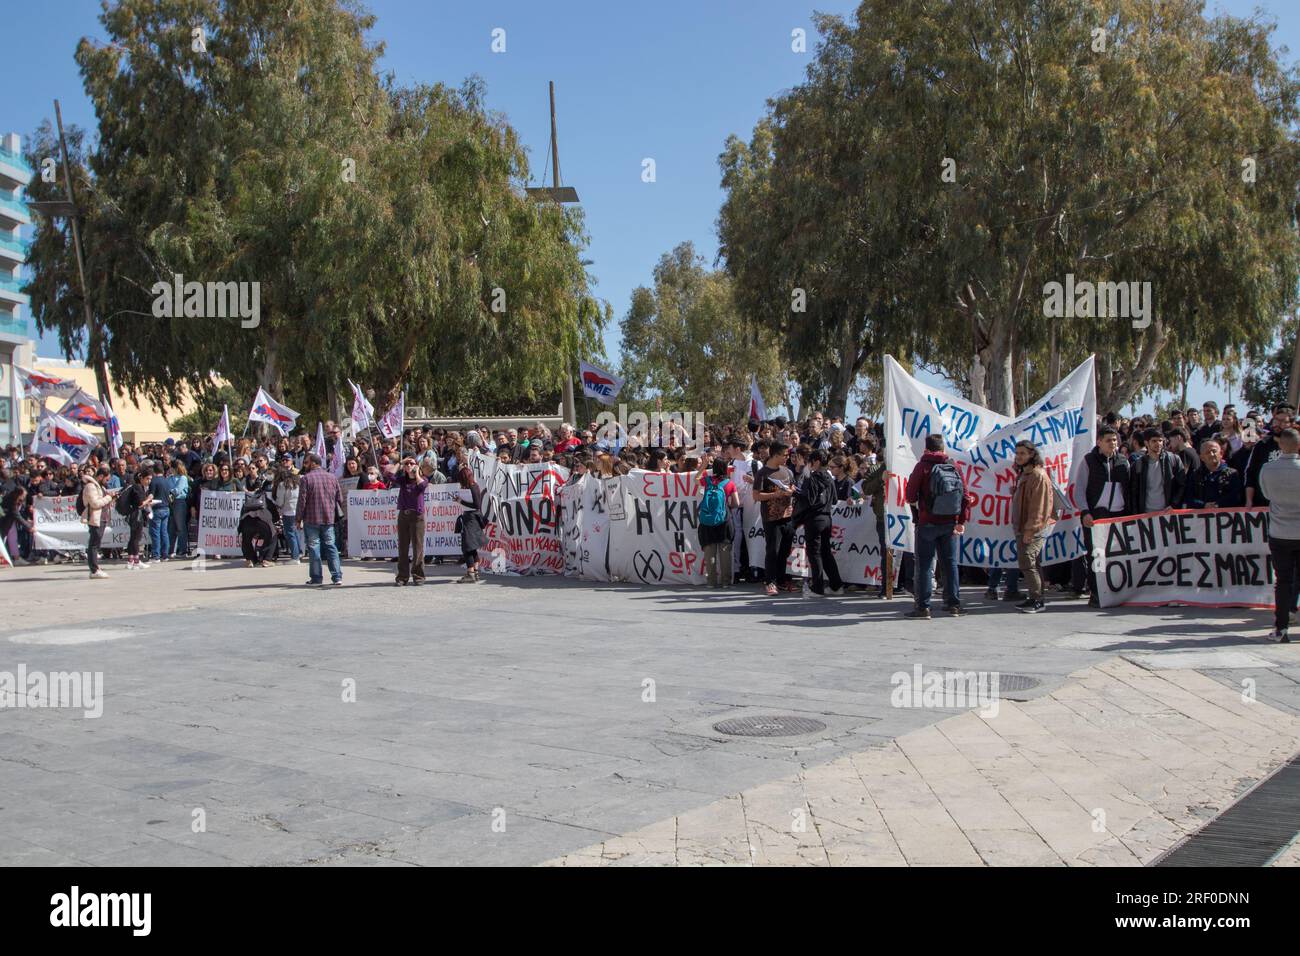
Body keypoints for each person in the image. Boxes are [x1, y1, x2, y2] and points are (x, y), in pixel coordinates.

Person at [903, 433, 972, 618]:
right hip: (950, 523)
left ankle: (923, 607)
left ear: (926, 449)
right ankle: (953, 605)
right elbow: (966, 496)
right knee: (950, 564)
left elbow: (909, 496)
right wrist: (962, 521)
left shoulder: (922, 467)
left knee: (924, 565)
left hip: (927, 522)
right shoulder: (954, 466)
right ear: (943, 448)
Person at [1079, 426, 1132, 607]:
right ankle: (1096, 592)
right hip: (1096, 515)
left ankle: (1115, 591)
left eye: (1115, 440)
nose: (1113, 443)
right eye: (1109, 440)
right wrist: (1085, 511)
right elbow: (1079, 490)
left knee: (1116, 555)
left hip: (1118, 514)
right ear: (1099, 442)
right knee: (1097, 555)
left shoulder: (1123, 462)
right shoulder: (1088, 461)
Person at [1259, 427, 1300, 643]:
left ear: (1280, 445)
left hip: (1280, 531)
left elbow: (1266, 494)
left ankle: (1281, 627)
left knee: (1283, 581)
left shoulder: (1268, 469)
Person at [1011, 441, 1057, 613]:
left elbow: (1040, 506)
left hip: (1032, 529)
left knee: (1028, 563)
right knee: (1032, 563)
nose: (1019, 456)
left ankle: (1037, 600)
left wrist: (1030, 529)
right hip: (1023, 526)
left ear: (1031, 454)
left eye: (1023, 453)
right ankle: (1034, 597)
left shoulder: (1037, 475)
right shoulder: (1025, 474)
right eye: (1017, 453)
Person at [797, 448, 843, 596]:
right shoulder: (829, 478)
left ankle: (817, 588)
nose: (809, 465)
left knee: (814, 553)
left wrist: (795, 492)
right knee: (825, 552)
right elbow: (835, 499)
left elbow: (808, 499)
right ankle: (836, 586)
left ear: (816, 462)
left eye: (810, 462)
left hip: (814, 519)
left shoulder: (813, 478)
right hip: (827, 518)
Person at [753, 441, 797, 596]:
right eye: (784, 455)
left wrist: (790, 491)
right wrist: (775, 494)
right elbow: (756, 495)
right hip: (771, 518)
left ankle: (782, 580)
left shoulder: (788, 472)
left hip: (788, 516)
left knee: (785, 551)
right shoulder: (762, 473)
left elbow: (793, 487)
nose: (787, 458)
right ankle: (770, 581)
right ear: (775, 455)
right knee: (773, 550)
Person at [297, 453, 343, 586]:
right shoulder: (332, 477)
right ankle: (337, 577)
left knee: (314, 548)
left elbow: (302, 501)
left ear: (313, 463)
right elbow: (340, 499)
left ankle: (317, 578)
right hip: (328, 518)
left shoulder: (306, 479)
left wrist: (298, 518)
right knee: (331, 547)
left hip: (311, 519)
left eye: (306, 462)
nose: (304, 465)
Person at [696, 457, 739, 588]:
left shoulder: (707, 481)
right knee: (725, 551)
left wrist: (703, 465)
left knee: (710, 552)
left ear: (713, 468)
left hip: (707, 522)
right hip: (724, 521)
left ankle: (711, 582)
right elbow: (737, 503)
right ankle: (726, 582)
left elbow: (695, 479)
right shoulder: (729, 483)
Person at [1130, 428, 1187, 514]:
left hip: (1168, 512)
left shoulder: (1173, 459)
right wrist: (1136, 513)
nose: (1158, 444)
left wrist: (1174, 505)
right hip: (1146, 514)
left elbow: (1182, 485)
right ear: (1146, 443)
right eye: (1154, 441)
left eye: (1160, 441)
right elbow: (1134, 492)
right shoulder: (1138, 464)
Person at [393, 456, 428, 586]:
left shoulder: (423, 479)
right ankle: (402, 576)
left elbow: (422, 486)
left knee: (417, 547)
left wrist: (417, 472)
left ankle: (418, 576)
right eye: (407, 463)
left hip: (417, 516)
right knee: (402, 547)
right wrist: (400, 463)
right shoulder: (403, 480)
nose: (409, 465)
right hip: (403, 515)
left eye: (411, 463)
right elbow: (388, 474)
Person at [79, 464, 117, 579]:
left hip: (102, 518)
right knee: (94, 544)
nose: (108, 481)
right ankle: (94, 569)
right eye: (106, 479)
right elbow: (95, 503)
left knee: (96, 544)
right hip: (95, 518)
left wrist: (111, 498)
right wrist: (109, 498)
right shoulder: (91, 486)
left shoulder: (100, 487)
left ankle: (95, 568)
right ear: (100, 476)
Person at [1183, 439, 1245, 509]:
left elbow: (1236, 497)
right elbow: (1189, 498)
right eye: (1207, 452)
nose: (1211, 454)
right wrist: (1204, 505)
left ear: (1221, 453)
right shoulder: (1195, 475)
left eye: (1214, 451)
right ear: (1201, 457)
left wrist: (1218, 504)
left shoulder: (1232, 474)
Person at [454, 465, 486, 583]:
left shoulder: (472, 487)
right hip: (471, 518)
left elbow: (477, 506)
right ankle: (475, 572)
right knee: (472, 547)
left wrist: (461, 501)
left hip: (471, 519)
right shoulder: (472, 486)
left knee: (467, 547)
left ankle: (470, 573)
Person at [119, 468, 154, 570]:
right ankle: (136, 561)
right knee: (136, 538)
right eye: (147, 479)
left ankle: (131, 560)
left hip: (133, 514)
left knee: (133, 538)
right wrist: (149, 498)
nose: (149, 481)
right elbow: (140, 504)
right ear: (141, 478)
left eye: (150, 479)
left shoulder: (137, 487)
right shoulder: (138, 487)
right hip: (136, 515)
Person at [271, 465, 302, 562]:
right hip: (297, 510)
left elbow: (280, 501)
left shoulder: (282, 484)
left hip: (288, 511)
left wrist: (276, 504)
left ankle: (295, 556)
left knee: (290, 533)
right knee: (295, 533)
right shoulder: (296, 482)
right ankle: (299, 552)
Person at [167, 460, 191, 558]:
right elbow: (166, 487)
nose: (170, 469)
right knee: (171, 527)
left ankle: (182, 550)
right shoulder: (169, 478)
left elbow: (177, 490)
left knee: (180, 527)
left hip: (179, 502)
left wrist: (170, 492)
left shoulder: (183, 478)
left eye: (172, 467)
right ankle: (171, 550)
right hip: (170, 502)